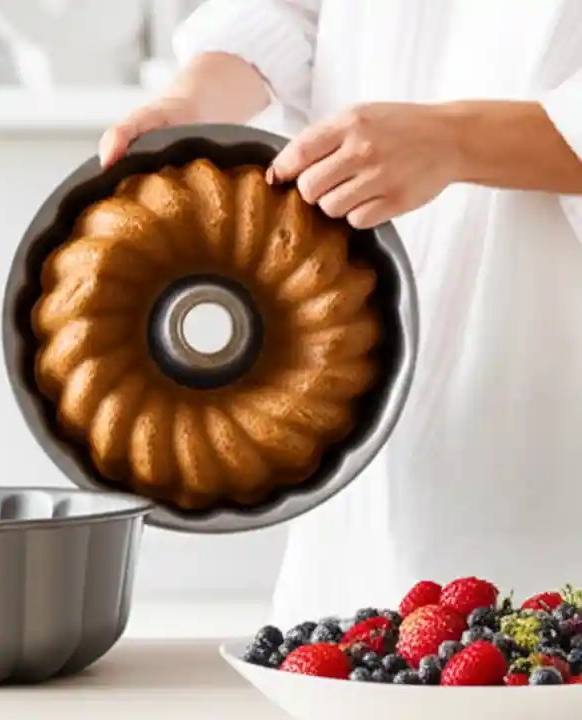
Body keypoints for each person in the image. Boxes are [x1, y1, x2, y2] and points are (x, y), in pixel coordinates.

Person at [99, 0, 582, 625]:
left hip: (543, 353)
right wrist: (195, 103)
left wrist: (455, 138)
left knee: (533, 648)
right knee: (365, 647)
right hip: (348, 358)